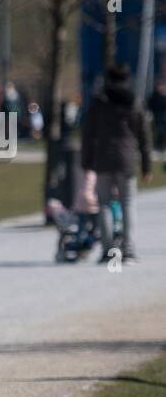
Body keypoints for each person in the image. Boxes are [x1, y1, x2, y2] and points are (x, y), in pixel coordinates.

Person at [81, 63, 152, 263]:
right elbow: (144, 136)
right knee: (127, 203)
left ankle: (108, 250)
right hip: (127, 159)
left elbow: (88, 134)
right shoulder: (134, 102)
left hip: (103, 159)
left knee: (103, 204)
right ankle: (127, 248)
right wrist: (146, 166)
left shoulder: (99, 102)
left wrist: (86, 161)